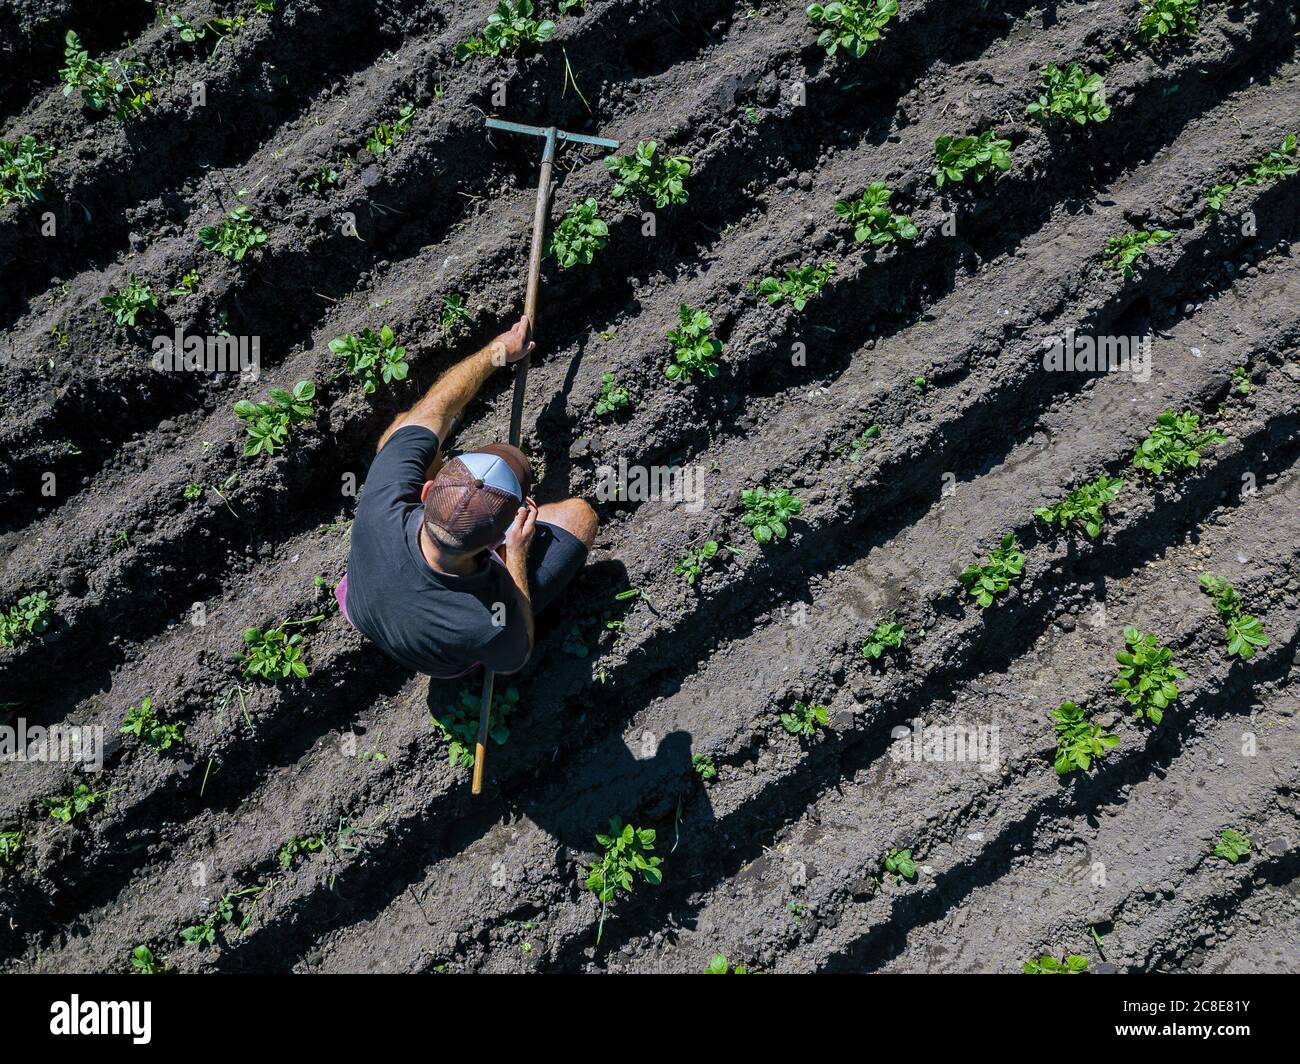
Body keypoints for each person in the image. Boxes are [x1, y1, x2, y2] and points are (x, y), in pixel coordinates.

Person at [337, 316, 597, 677]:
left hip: (362, 604)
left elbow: (435, 407)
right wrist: (517, 556)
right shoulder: (487, 621)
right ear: (496, 545)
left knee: (404, 429)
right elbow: (517, 655)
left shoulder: (382, 498)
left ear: (427, 491)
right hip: (441, 657)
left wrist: (499, 351)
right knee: (579, 517)